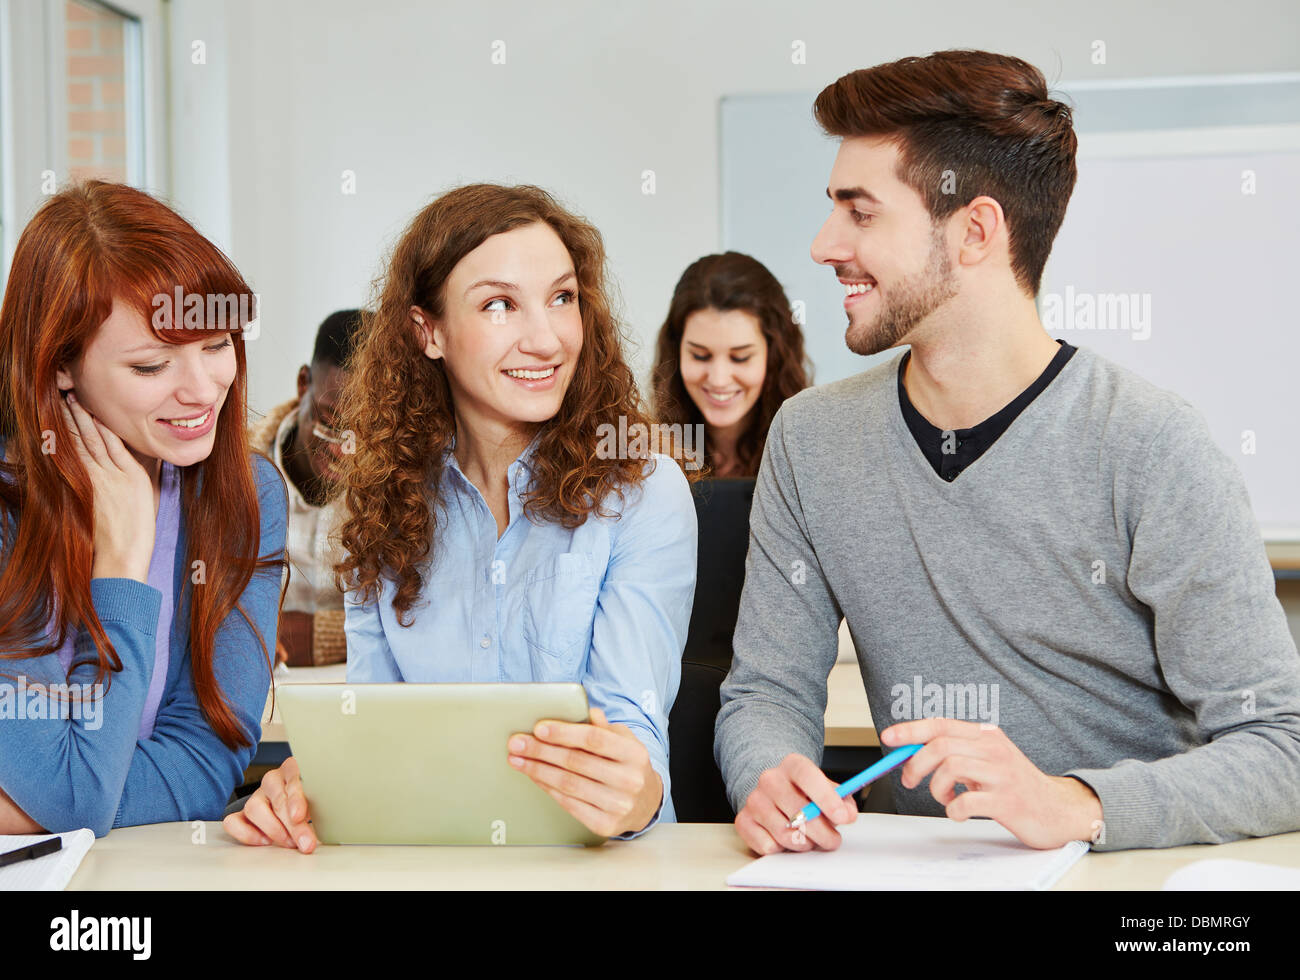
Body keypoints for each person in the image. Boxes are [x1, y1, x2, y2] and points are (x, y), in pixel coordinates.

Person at [716, 50, 1300, 854]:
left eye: (860, 212)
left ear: (975, 230)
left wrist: (1074, 804)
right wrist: (766, 774)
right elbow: (765, 690)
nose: (822, 246)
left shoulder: (1153, 445)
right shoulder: (810, 440)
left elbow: (1283, 747)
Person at [224, 183, 697, 851]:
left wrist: (637, 788)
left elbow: (633, 741)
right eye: (500, 305)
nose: (546, 338)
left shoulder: (643, 493)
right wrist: (311, 788)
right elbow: (374, 734)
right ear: (430, 332)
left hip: (602, 867)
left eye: (562, 298)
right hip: (430, 862)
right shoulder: (381, 498)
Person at [0, 180, 288, 836]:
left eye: (217, 346)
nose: (202, 391)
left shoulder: (248, 494)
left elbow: (207, 758)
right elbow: (71, 788)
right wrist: (123, 565)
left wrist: (38, 808)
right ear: (61, 365)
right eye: (152, 365)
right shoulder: (7, 510)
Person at [248, 309, 363, 666]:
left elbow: (416, 619)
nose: (338, 450)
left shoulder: (399, 488)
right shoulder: (234, 471)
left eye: (361, 432)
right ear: (303, 384)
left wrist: (310, 637)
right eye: (328, 422)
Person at [651, 252, 811, 477]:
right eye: (700, 356)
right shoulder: (646, 457)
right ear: (676, 352)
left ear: (774, 355)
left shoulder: (809, 453)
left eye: (740, 358)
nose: (719, 379)